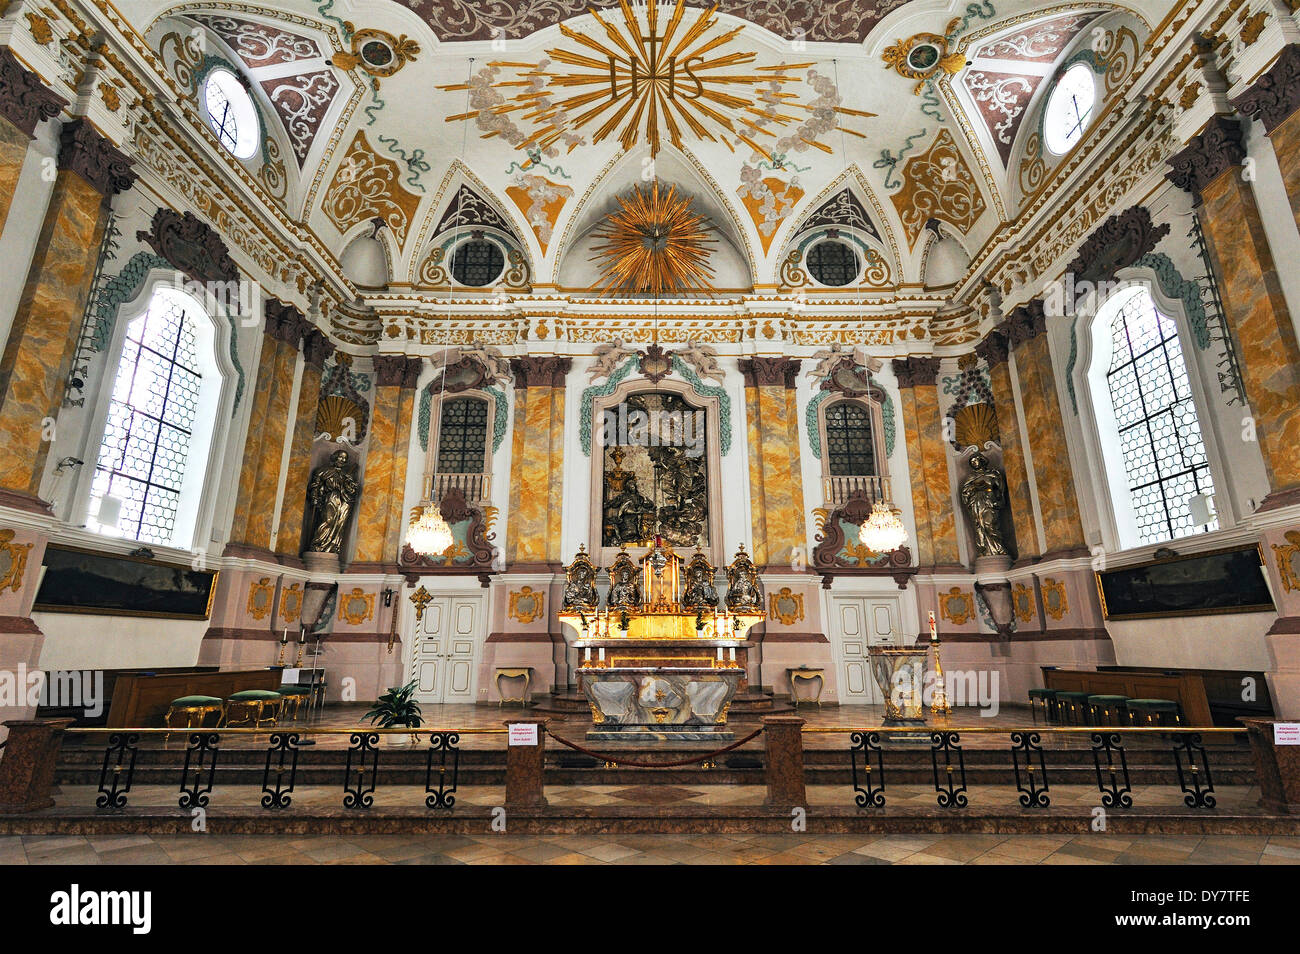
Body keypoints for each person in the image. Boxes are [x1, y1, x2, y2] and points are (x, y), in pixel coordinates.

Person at [305, 449, 358, 553]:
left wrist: (350, 484)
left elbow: (351, 491)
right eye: (341, 457)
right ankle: (319, 544)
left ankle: (332, 547)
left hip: (344, 501)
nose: (342, 460)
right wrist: (314, 497)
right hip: (330, 498)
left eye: (345, 458)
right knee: (328, 521)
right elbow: (315, 486)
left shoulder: (345, 475)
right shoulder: (323, 471)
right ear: (335, 457)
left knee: (340, 524)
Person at [960, 451, 1008, 557]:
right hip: (976, 503)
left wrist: (993, 491)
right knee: (979, 526)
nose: (974, 464)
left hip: (989, 502)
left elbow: (1000, 489)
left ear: (981, 461)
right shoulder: (971, 478)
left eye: (975, 461)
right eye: (972, 462)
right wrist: (973, 488)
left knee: (990, 525)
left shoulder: (993, 474)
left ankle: (998, 549)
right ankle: (984, 550)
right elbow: (965, 493)